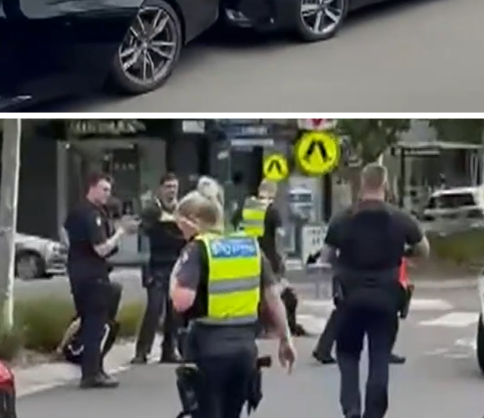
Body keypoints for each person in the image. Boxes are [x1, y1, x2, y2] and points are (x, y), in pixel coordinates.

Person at [169, 179, 296, 418]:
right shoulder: (249, 246)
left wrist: (174, 279)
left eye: (181, 225)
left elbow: (182, 301)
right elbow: (272, 297)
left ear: (193, 221)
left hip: (206, 347)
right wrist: (285, 338)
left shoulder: (198, 249)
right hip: (245, 349)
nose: (180, 232)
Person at [319, 163, 428, 418]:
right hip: (387, 297)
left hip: (350, 297)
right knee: (380, 357)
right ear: (385, 185)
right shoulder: (401, 218)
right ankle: (374, 412)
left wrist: (340, 261)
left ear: (361, 185)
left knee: (347, 356)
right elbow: (424, 249)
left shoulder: (342, 219)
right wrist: (403, 254)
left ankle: (351, 408)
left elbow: (326, 256)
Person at [63, 172, 126, 388]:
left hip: (78, 274)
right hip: (92, 276)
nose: (108, 194)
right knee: (95, 325)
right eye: (104, 189)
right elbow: (101, 249)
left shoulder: (77, 211)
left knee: (91, 322)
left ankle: (94, 369)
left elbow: (67, 235)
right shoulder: (91, 215)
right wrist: (120, 234)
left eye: (109, 190)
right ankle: (92, 373)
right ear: (92, 187)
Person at [232, 179, 308, 337]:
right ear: (273, 193)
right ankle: (283, 327)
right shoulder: (272, 211)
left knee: (252, 294)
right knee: (275, 293)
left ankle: (257, 326)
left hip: (246, 256)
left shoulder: (244, 209)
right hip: (268, 258)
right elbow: (279, 239)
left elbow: (233, 229)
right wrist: (282, 259)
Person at [133, 172, 185, 364]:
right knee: (154, 308)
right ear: (161, 188)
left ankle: (169, 350)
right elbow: (146, 232)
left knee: (174, 311)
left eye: (175, 187)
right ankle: (142, 351)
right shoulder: (152, 210)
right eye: (169, 187)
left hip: (176, 265)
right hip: (155, 265)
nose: (172, 191)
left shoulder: (182, 209)